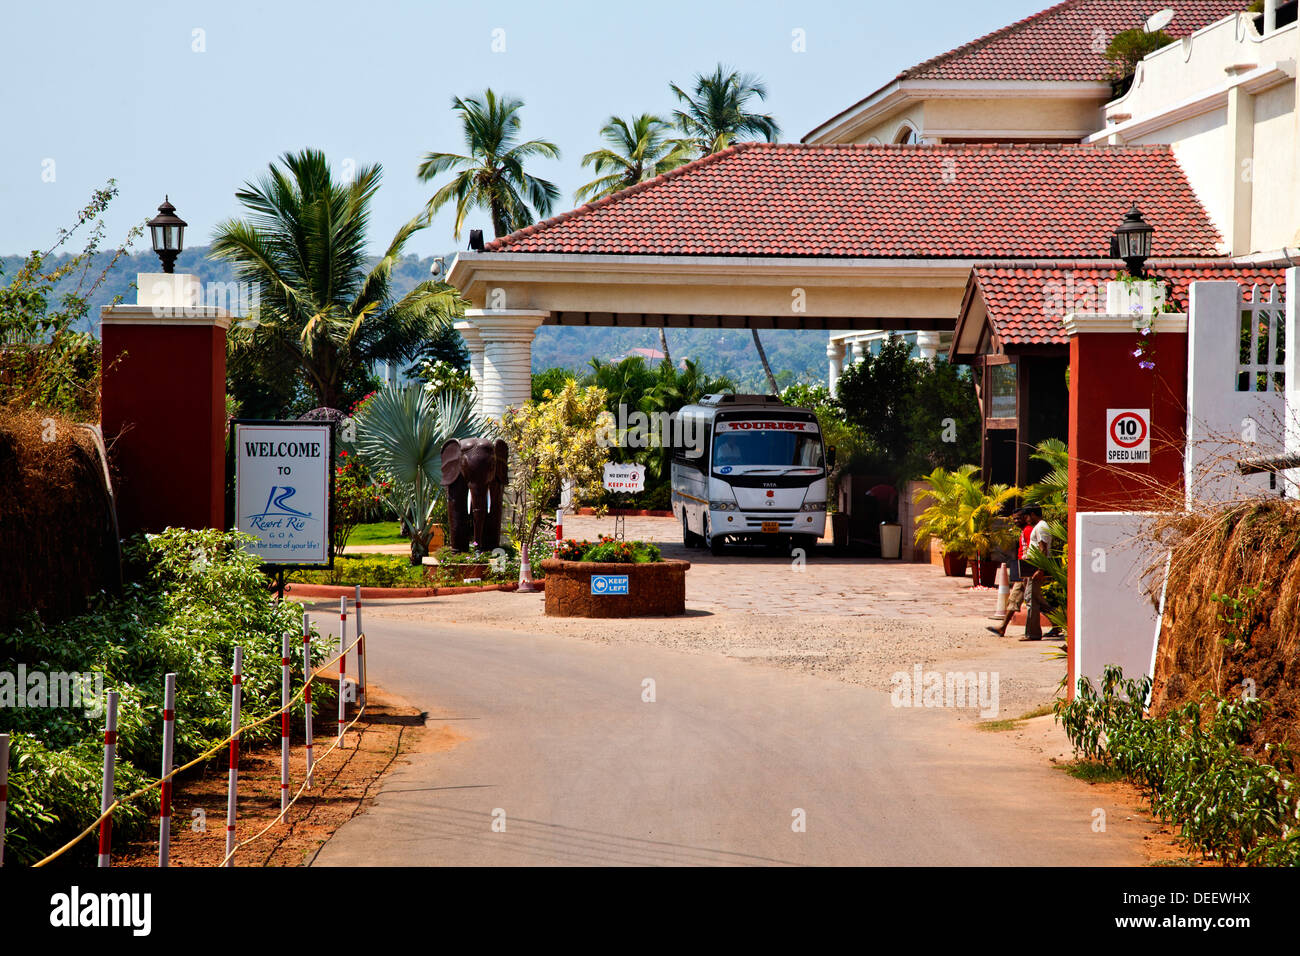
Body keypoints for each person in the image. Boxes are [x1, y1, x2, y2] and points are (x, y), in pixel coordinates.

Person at [987, 509, 1031, 637]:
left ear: (1026, 517)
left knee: (1014, 599)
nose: (1016, 521)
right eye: (1014, 519)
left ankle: (1002, 627)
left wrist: (1026, 571)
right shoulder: (1024, 531)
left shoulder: (1028, 530)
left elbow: (1029, 551)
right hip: (1022, 568)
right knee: (1037, 601)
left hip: (1026, 569)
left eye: (1018, 518)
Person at [1021, 505, 1052, 642]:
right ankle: (1058, 622)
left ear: (1033, 514)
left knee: (1031, 599)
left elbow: (1043, 548)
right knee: (1036, 599)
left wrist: (1040, 568)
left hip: (1036, 568)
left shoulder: (1041, 526)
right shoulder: (1040, 526)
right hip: (1033, 566)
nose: (1026, 519)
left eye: (1027, 516)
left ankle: (1032, 633)